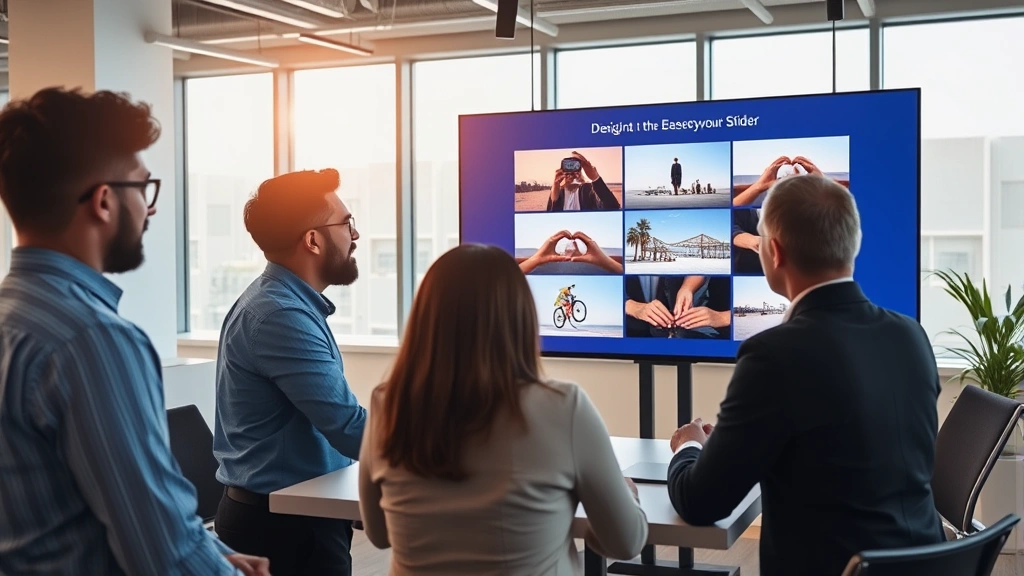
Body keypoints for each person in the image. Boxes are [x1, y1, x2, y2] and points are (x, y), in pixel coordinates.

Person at [0, 88, 269, 576]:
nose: (151, 209)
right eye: (144, 189)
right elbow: (160, 553)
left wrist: (218, 557)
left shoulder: (13, 321)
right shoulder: (92, 341)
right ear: (104, 201)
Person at [666, 174, 944, 576]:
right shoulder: (911, 336)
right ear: (854, 244)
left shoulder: (773, 355)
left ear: (773, 251)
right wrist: (737, 444)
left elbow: (701, 503)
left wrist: (688, 448)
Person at [358, 244, 648, 575]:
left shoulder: (388, 404)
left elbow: (380, 535)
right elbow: (626, 542)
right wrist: (624, 495)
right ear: (520, 317)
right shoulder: (564, 407)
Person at [213, 169, 367, 575]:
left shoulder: (285, 303)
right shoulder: (281, 314)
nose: (356, 235)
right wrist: (446, 453)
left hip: (292, 518)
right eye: (347, 223)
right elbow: (349, 427)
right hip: (281, 531)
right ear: (313, 240)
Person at [546, 151, 621, 211]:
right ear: (562, 168)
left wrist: (595, 178)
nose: (572, 170)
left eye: (575, 165)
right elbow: (549, 213)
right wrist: (555, 187)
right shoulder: (558, 191)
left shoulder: (588, 189)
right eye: (568, 165)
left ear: (580, 168)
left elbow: (613, 207)